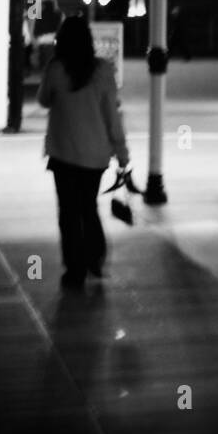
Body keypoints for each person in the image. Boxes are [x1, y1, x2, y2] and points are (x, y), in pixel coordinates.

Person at [38, 15, 130, 290]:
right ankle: (95, 259)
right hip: (95, 156)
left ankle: (74, 270)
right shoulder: (102, 71)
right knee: (88, 208)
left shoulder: (55, 69)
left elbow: (43, 100)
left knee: (67, 212)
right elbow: (112, 116)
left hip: (63, 155)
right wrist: (122, 153)